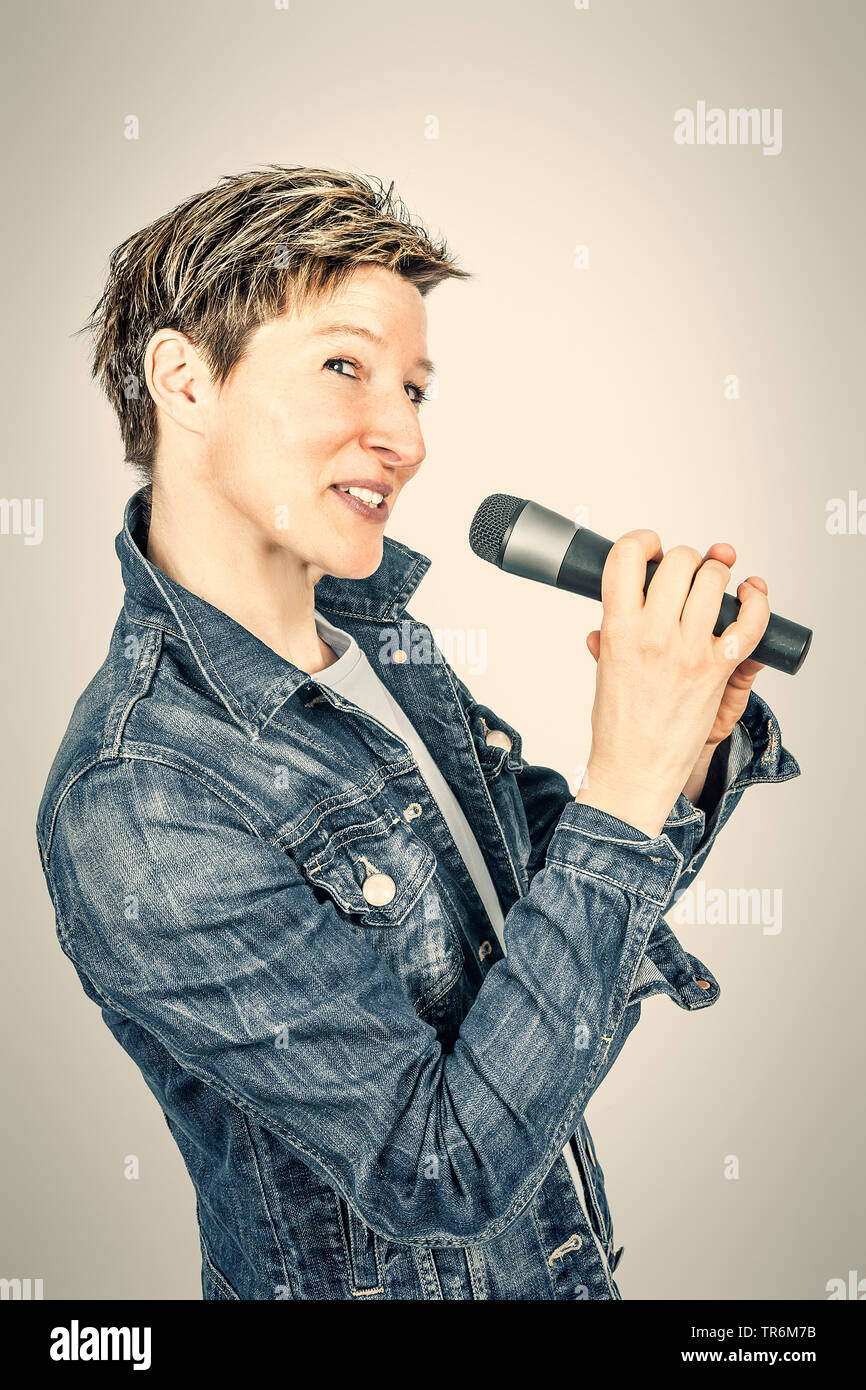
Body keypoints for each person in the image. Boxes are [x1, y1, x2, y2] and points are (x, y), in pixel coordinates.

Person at [36, 165, 800, 1300]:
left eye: (415, 389)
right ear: (183, 378)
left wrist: (677, 750)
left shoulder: (376, 642)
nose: (402, 435)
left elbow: (550, 912)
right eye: (344, 366)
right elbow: (435, 1167)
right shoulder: (140, 794)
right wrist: (625, 779)